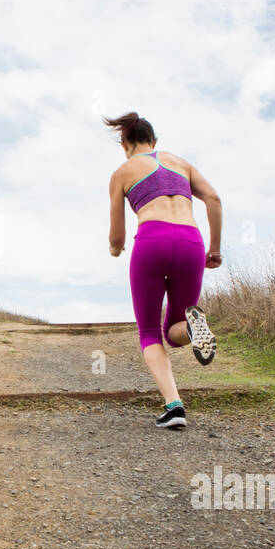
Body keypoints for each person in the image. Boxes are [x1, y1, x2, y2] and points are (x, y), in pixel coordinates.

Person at [106, 111, 222, 429]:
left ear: (125, 144)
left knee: (149, 333)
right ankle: (195, 328)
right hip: (190, 242)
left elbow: (117, 237)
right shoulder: (179, 162)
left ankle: (174, 407)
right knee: (175, 331)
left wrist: (115, 248)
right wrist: (214, 249)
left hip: (152, 240)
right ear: (154, 142)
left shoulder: (122, 172)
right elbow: (213, 197)